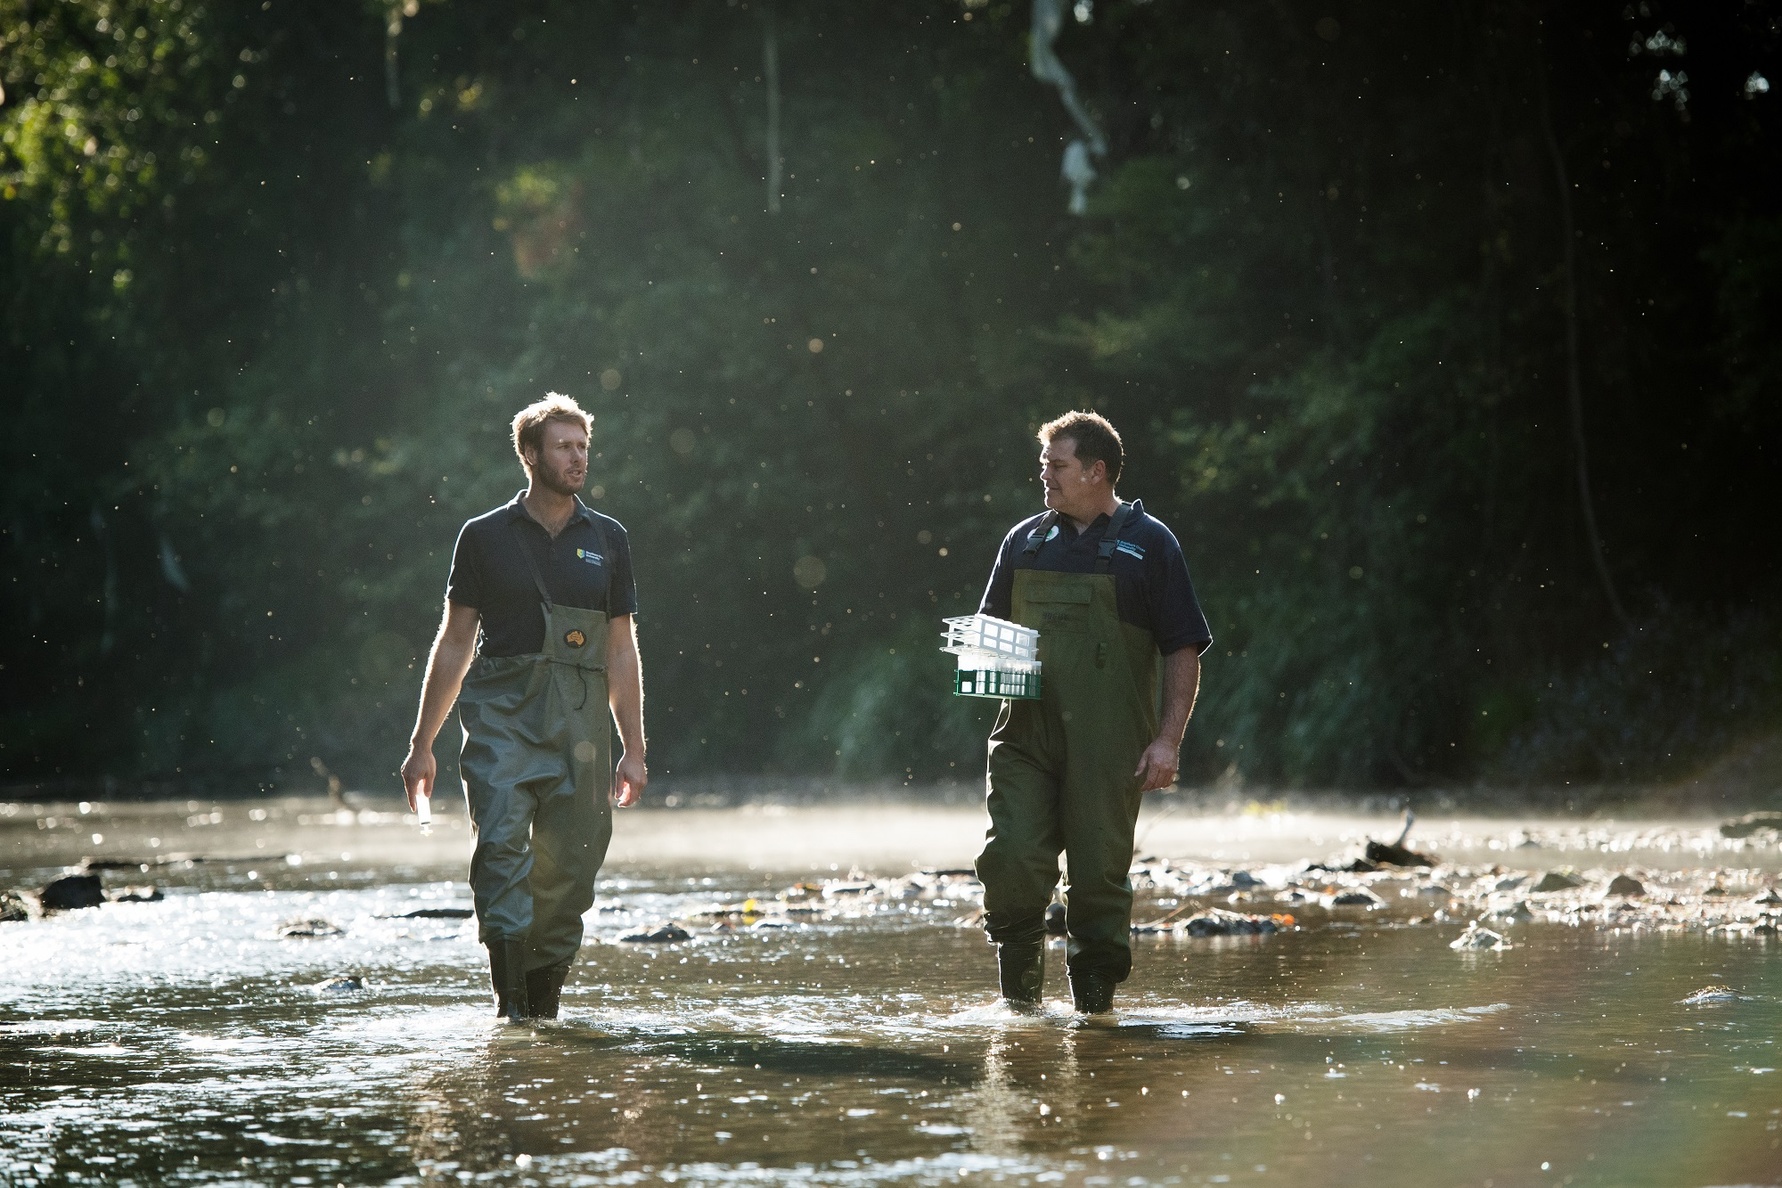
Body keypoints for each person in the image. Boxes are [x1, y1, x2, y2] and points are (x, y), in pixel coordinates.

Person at [400, 392, 647, 1023]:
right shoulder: (483, 537)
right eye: (564, 447)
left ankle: (544, 1009)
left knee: (574, 863)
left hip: (583, 725)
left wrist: (634, 748)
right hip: (501, 720)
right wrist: (422, 743)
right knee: (502, 849)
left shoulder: (608, 539)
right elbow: (455, 641)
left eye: (583, 447)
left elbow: (621, 650)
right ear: (530, 455)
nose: (578, 458)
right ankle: (511, 1011)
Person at [974, 410, 1210, 1015]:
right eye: (1044, 465)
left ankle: (1095, 1017)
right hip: (1025, 735)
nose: (1045, 476)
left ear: (1097, 470)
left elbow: (1183, 648)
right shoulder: (1023, 540)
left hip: (1111, 743)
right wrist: (977, 662)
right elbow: (991, 632)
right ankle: (1019, 1012)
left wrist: (1168, 741)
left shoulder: (1151, 544)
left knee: (1099, 881)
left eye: (1058, 465)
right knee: (1010, 860)